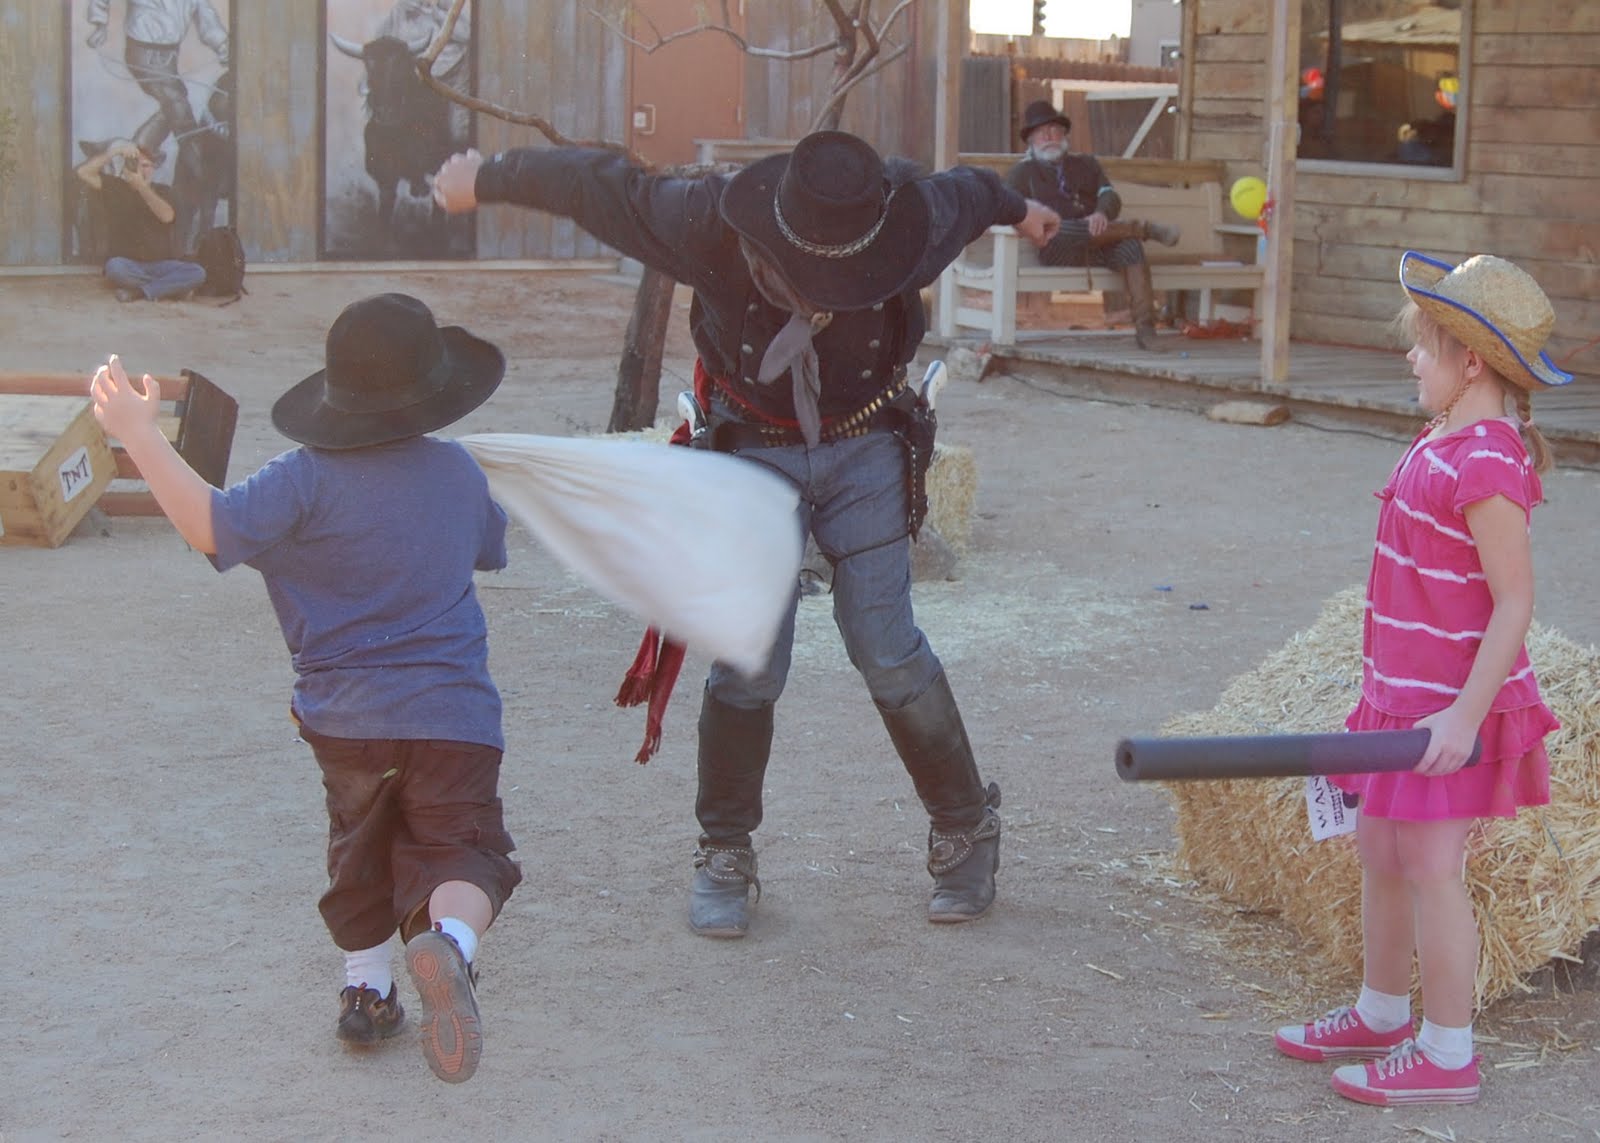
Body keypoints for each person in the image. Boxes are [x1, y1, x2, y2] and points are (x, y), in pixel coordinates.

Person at [431, 130, 1062, 939]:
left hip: (868, 439)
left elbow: (976, 189)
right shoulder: (706, 220)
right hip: (751, 445)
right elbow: (603, 186)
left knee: (886, 642)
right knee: (750, 653)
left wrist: (1028, 207)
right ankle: (725, 849)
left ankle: (966, 825)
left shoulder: (914, 216)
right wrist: (489, 174)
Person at [88, 293, 521, 1084]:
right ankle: (450, 946)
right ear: (434, 389)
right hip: (455, 715)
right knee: (464, 846)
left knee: (358, 844)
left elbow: (210, 526)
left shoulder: (304, 478)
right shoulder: (457, 470)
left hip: (346, 719)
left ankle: (368, 990)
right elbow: (493, 546)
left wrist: (140, 434)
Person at [1273, 252, 1568, 1107]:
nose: (1410, 358)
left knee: (1434, 862)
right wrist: (1377, 697)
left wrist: (1462, 720)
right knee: (1381, 848)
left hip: (1451, 711)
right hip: (1399, 697)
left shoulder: (1487, 459)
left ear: (1469, 362)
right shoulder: (1439, 439)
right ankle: (1381, 1008)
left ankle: (1448, 1053)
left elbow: (1514, 602)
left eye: (1422, 345)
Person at [1004, 100, 1180, 351]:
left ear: (1064, 135)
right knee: (1061, 228)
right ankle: (1145, 229)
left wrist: (1100, 213)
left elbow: (1110, 196)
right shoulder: (1022, 173)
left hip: (1099, 244)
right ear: (1031, 140)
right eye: (1042, 132)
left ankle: (1146, 330)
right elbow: (1011, 208)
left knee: (1130, 247)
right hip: (1057, 246)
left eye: (1055, 130)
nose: (1049, 137)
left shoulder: (1086, 164)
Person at [86, 0, 230, 165]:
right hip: (144, 54)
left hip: (169, 56)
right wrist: (99, 24)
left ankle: (131, 150)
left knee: (173, 108)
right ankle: (200, 174)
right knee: (183, 119)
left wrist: (223, 47)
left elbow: (205, 14)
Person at [74, 139, 206, 301]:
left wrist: (142, 187)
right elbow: (83, 173)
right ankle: (169, 289)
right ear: (126, 168)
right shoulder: (115, 186)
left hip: (161, 264)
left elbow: (167, 217)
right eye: (136, 164)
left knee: (196, 272)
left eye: (146, 165)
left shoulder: (164, 191)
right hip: (127, 264)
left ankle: (140, 292)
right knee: (114, 268)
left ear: (153, 168)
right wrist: (115, 151)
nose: (141, 170)